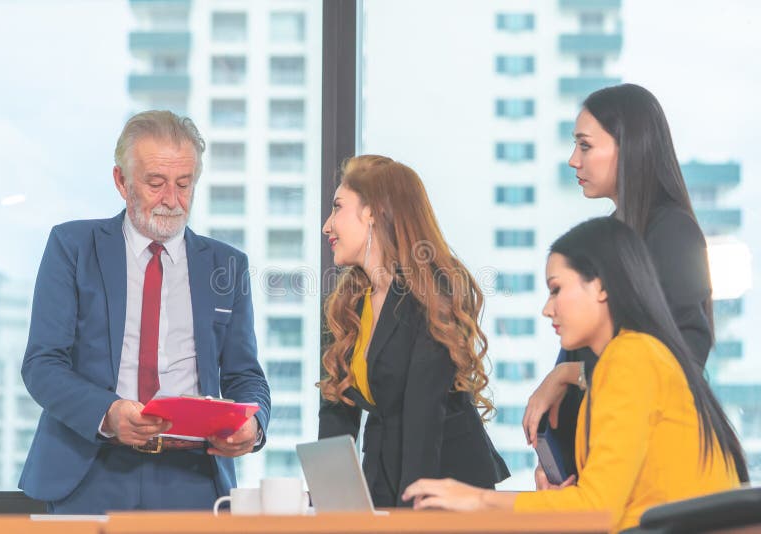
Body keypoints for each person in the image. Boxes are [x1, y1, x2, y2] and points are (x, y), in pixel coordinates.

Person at [403, 217, 747, 532]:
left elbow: (597, 510)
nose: (547, 309)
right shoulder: (639, 355)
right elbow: (604, 503)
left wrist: (478, 499)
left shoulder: (630, 358)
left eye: (556, 289)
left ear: (601, 287)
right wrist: (558, 502)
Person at [19, 111, 271, 513]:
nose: (171, 199)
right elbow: (42, 364)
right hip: (91, 469)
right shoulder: (72, 246)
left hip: (194, 477)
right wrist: (108, 412)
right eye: (156, 183)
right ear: (121, 181)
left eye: (184, 184)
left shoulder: (227, 265)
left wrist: (254, 426)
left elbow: (245, 375)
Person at [522, 83, 714, 452]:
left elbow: (682, 357)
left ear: (631, 148)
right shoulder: (609, 236)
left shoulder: (672, 231)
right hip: (600, 457)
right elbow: (582, 352)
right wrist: (559, 460)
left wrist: (568, 375)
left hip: (649, 458)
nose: (573, 160)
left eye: (585, 146)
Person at [318, 155, 510, 507]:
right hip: (384, 475)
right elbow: (337, 407)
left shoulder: (432, 294)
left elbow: (423, 420)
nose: (327, 226)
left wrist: (409, 518)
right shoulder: (348, 302)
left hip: (445, 485)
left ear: (372, 211)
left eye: (338, 207)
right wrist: (330, 501)